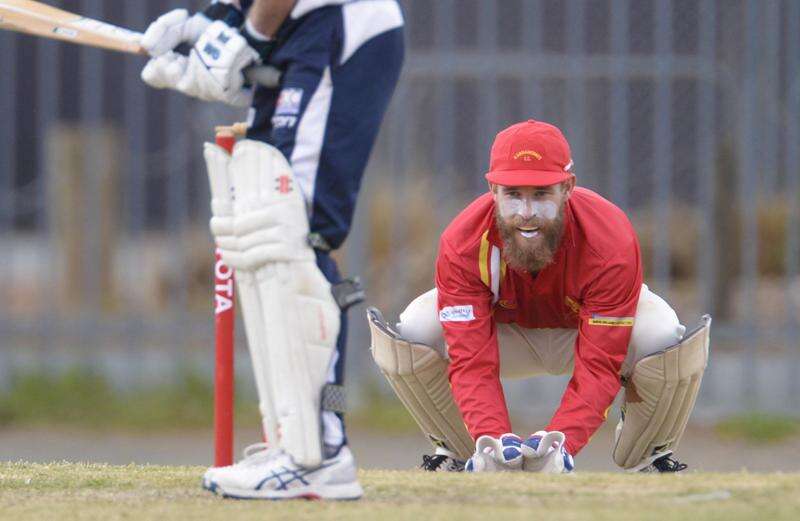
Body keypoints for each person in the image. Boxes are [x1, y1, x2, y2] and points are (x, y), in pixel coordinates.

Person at [140, 0, 404, 499]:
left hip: (340, 24)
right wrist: (218, 24)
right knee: (262, 223)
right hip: (297, 28)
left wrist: (249, 37)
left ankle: (320, 452)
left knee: (295, 232)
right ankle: (292, 444)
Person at [367, 119, 710, 474]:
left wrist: (562, 442)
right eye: (513, 194)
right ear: (493, 190)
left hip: (584, 335)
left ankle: (650, 457)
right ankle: (464, 453)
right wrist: (492, 436)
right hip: (505, 337)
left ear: (568, 187)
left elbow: (600, 363)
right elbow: (471, 361)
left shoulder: (610, 239)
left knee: (663, 333)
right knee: (415, 329)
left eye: (541, 194)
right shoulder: (463, 241)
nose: (526, 213)